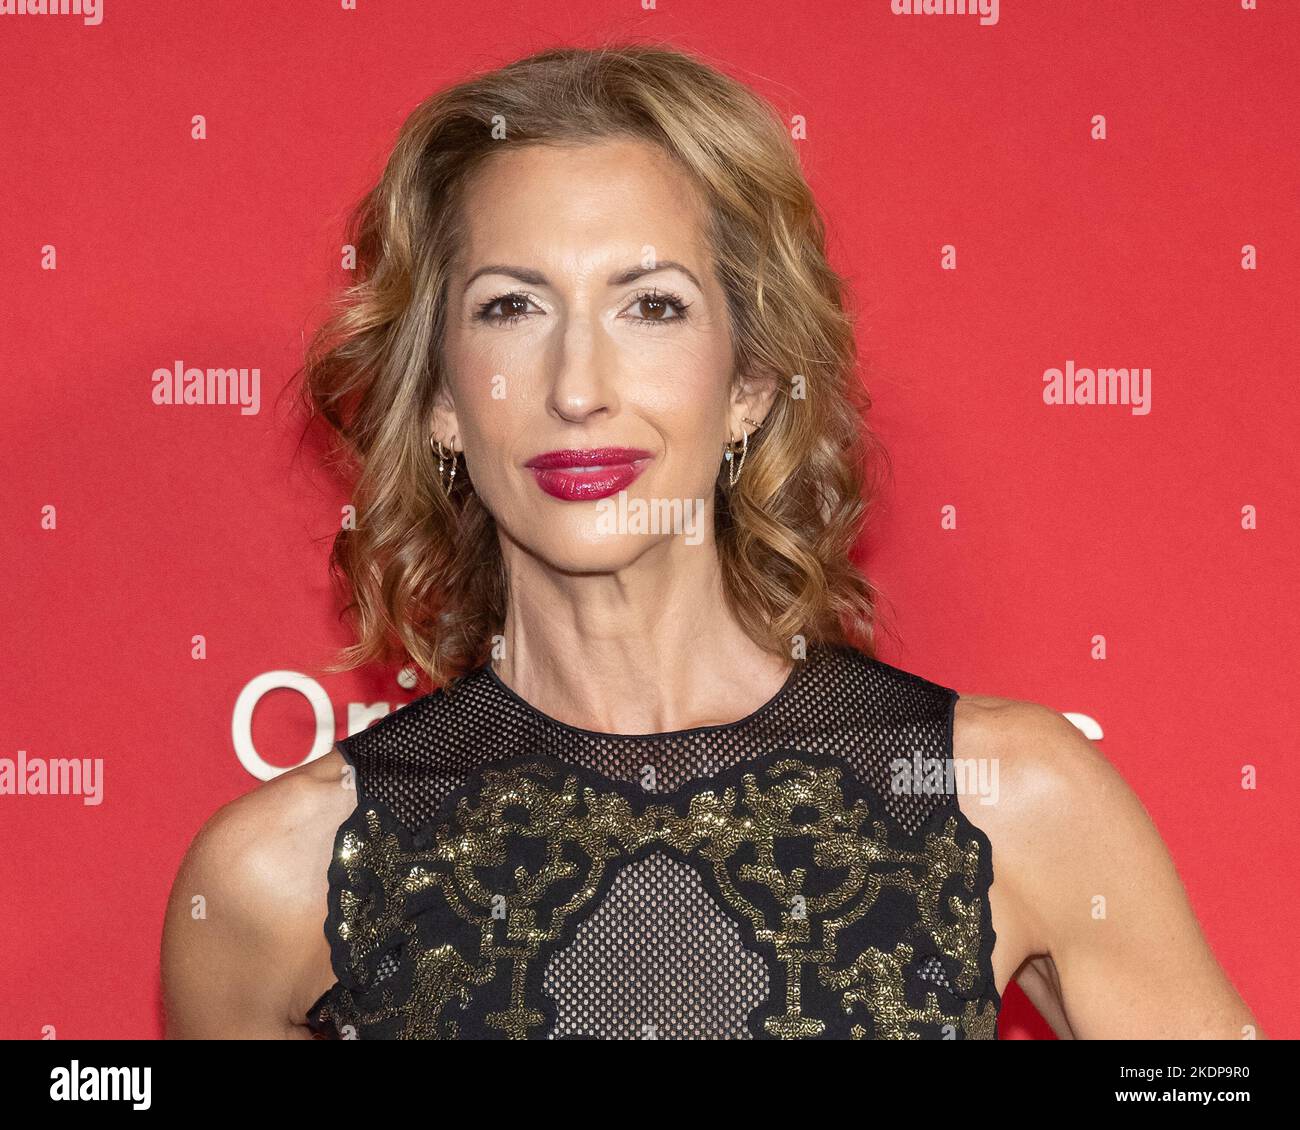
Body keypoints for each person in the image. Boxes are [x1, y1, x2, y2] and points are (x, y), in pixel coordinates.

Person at [160, 43, 1262, 1040]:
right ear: (441, 399)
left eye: (651, 307)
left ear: (750, 382)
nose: (577, 389)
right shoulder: (275, 881)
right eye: (510, 308)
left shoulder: (1009, 800)